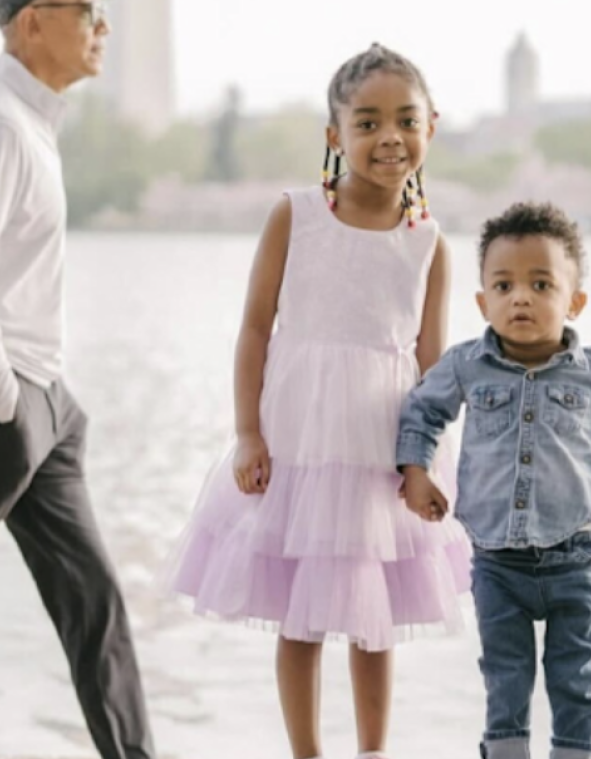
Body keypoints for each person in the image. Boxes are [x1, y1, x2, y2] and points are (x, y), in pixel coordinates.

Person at [159, 44, 472, 759]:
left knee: (374, 615)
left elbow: (431, 368)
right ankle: (305, 752)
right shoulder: (295, 216)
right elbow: (254, 329)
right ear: (335, 134)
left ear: (431, 126)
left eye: (406, 120)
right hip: (299, 442)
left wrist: (420, 465)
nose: (389, 137)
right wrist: (248, 434)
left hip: (382, 449)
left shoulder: (428, 243)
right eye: (367, 122)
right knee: (299, 617)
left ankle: (373, 751)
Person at [0, 0, 157, 759]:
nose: (103, 28)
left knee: (95, 606)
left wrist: (41, 406)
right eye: (87, 11)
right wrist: (5, 403)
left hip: (43, 405)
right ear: (32, 23)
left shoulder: (28, 119)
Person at [397, 201, 591, 759]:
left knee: (576, 679)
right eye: (504, 285)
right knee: (505, 677)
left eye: (541, 285)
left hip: (576, 558)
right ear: (483, 301)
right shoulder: (467, 365)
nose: (521, 298)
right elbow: (422, 412)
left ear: (574, 301)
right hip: (497, 563)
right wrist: (416, 471)